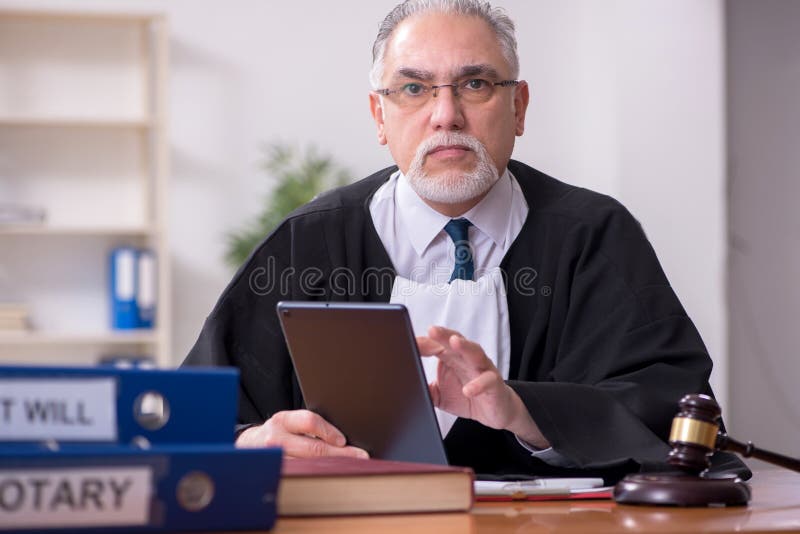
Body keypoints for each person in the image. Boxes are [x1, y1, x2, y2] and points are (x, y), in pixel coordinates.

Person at [184, 0, 748, 481]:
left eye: (475, 84)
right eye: (414, 89)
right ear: (380, 116)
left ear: (518, 106)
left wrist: (524, 410)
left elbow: (674, 412)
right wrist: (253, 445)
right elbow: (186, 415)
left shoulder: (592, 235)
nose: (445, 115)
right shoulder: (308, 242)